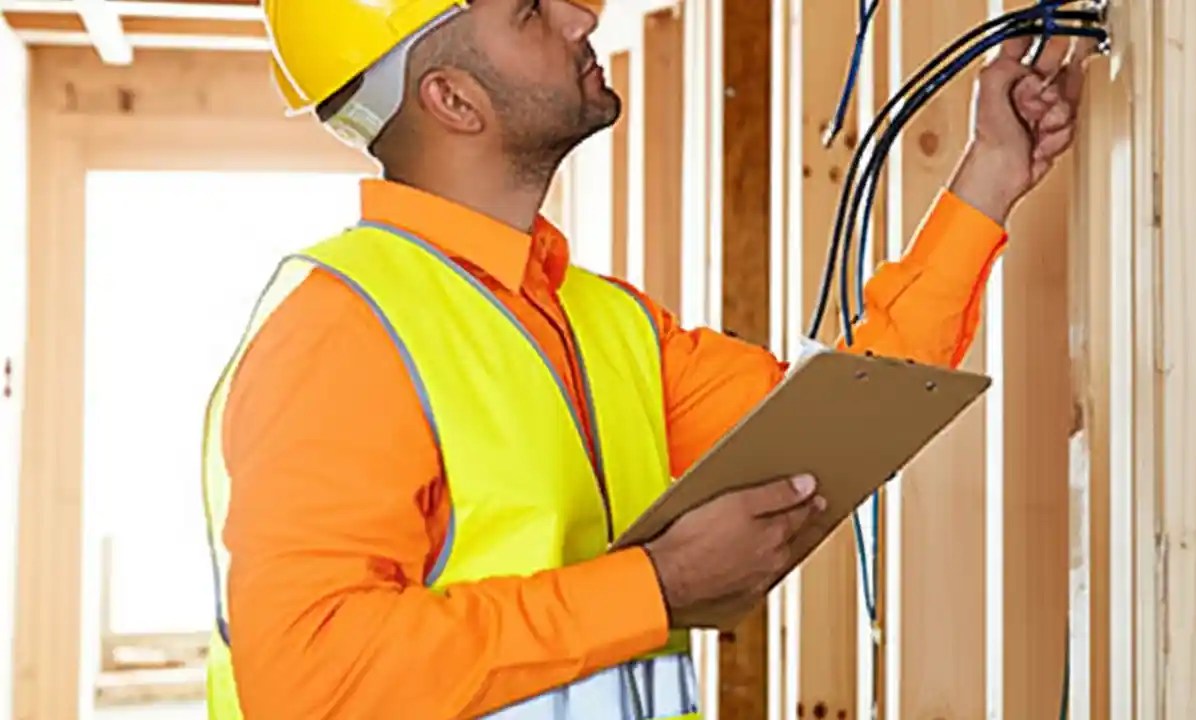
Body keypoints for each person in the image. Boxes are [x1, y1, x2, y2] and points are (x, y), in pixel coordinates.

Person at [199, 0, 1090, 717]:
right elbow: (307, 679)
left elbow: (844, 415)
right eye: (529, 11)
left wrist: (990, 176)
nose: (583, 15)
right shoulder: (343, 328)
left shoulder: (599, 322)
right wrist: (655, 586)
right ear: (452, 100)